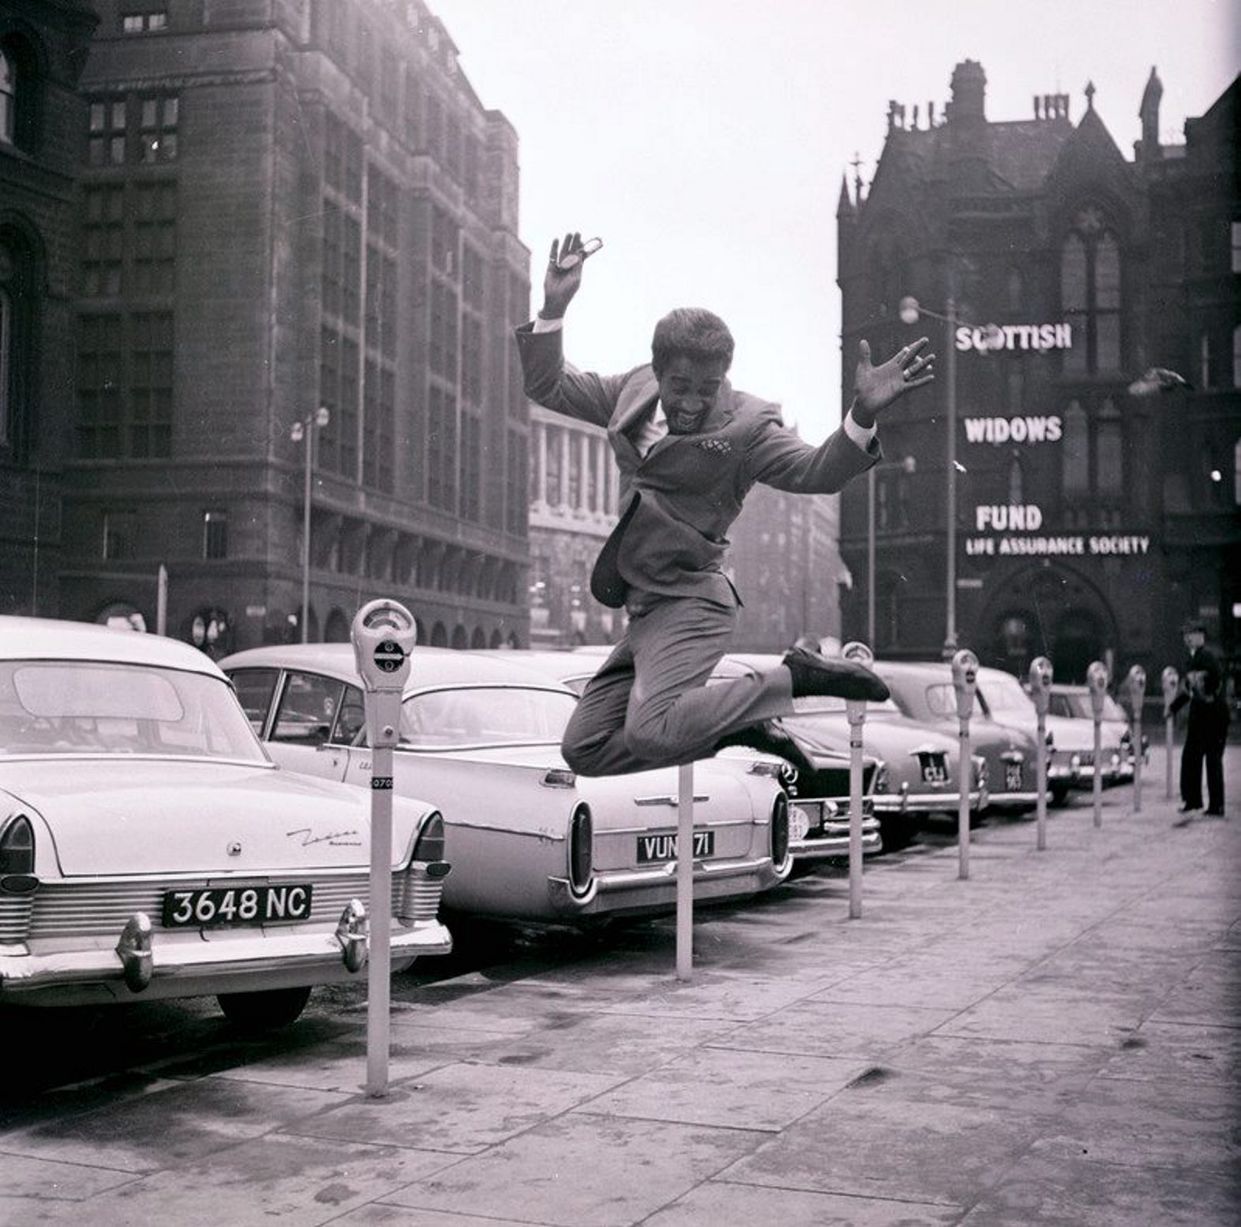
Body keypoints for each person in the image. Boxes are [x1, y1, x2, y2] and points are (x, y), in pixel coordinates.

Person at [515, 231, 934, 778]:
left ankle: (795, 677)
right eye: (679, 387)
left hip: (693, 600)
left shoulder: (747, 428)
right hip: (644, 607)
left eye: (706, 389)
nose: (691, 404)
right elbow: (548, 385)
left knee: (650, 729)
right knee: (586, 748)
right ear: (657, 373)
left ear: (724, 379)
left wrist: (861, 415)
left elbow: (817, 471)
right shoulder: (629, 392)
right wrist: (555, 305)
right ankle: (734, 727)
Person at [1168, 618, 1230, 816]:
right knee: (1193, 758)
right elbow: (1189, 689)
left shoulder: (1208, 657)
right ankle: (1195, 801)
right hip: (1202, 716)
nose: (1187, 638)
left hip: (1212, 716)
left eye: (1191, 634)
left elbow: (1213, 683)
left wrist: (1206, 694)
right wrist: (1173, 707)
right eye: (1185, 635)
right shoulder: (1194, 658)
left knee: (1210, 759)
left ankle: (1214, 805)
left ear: (1201, 636)